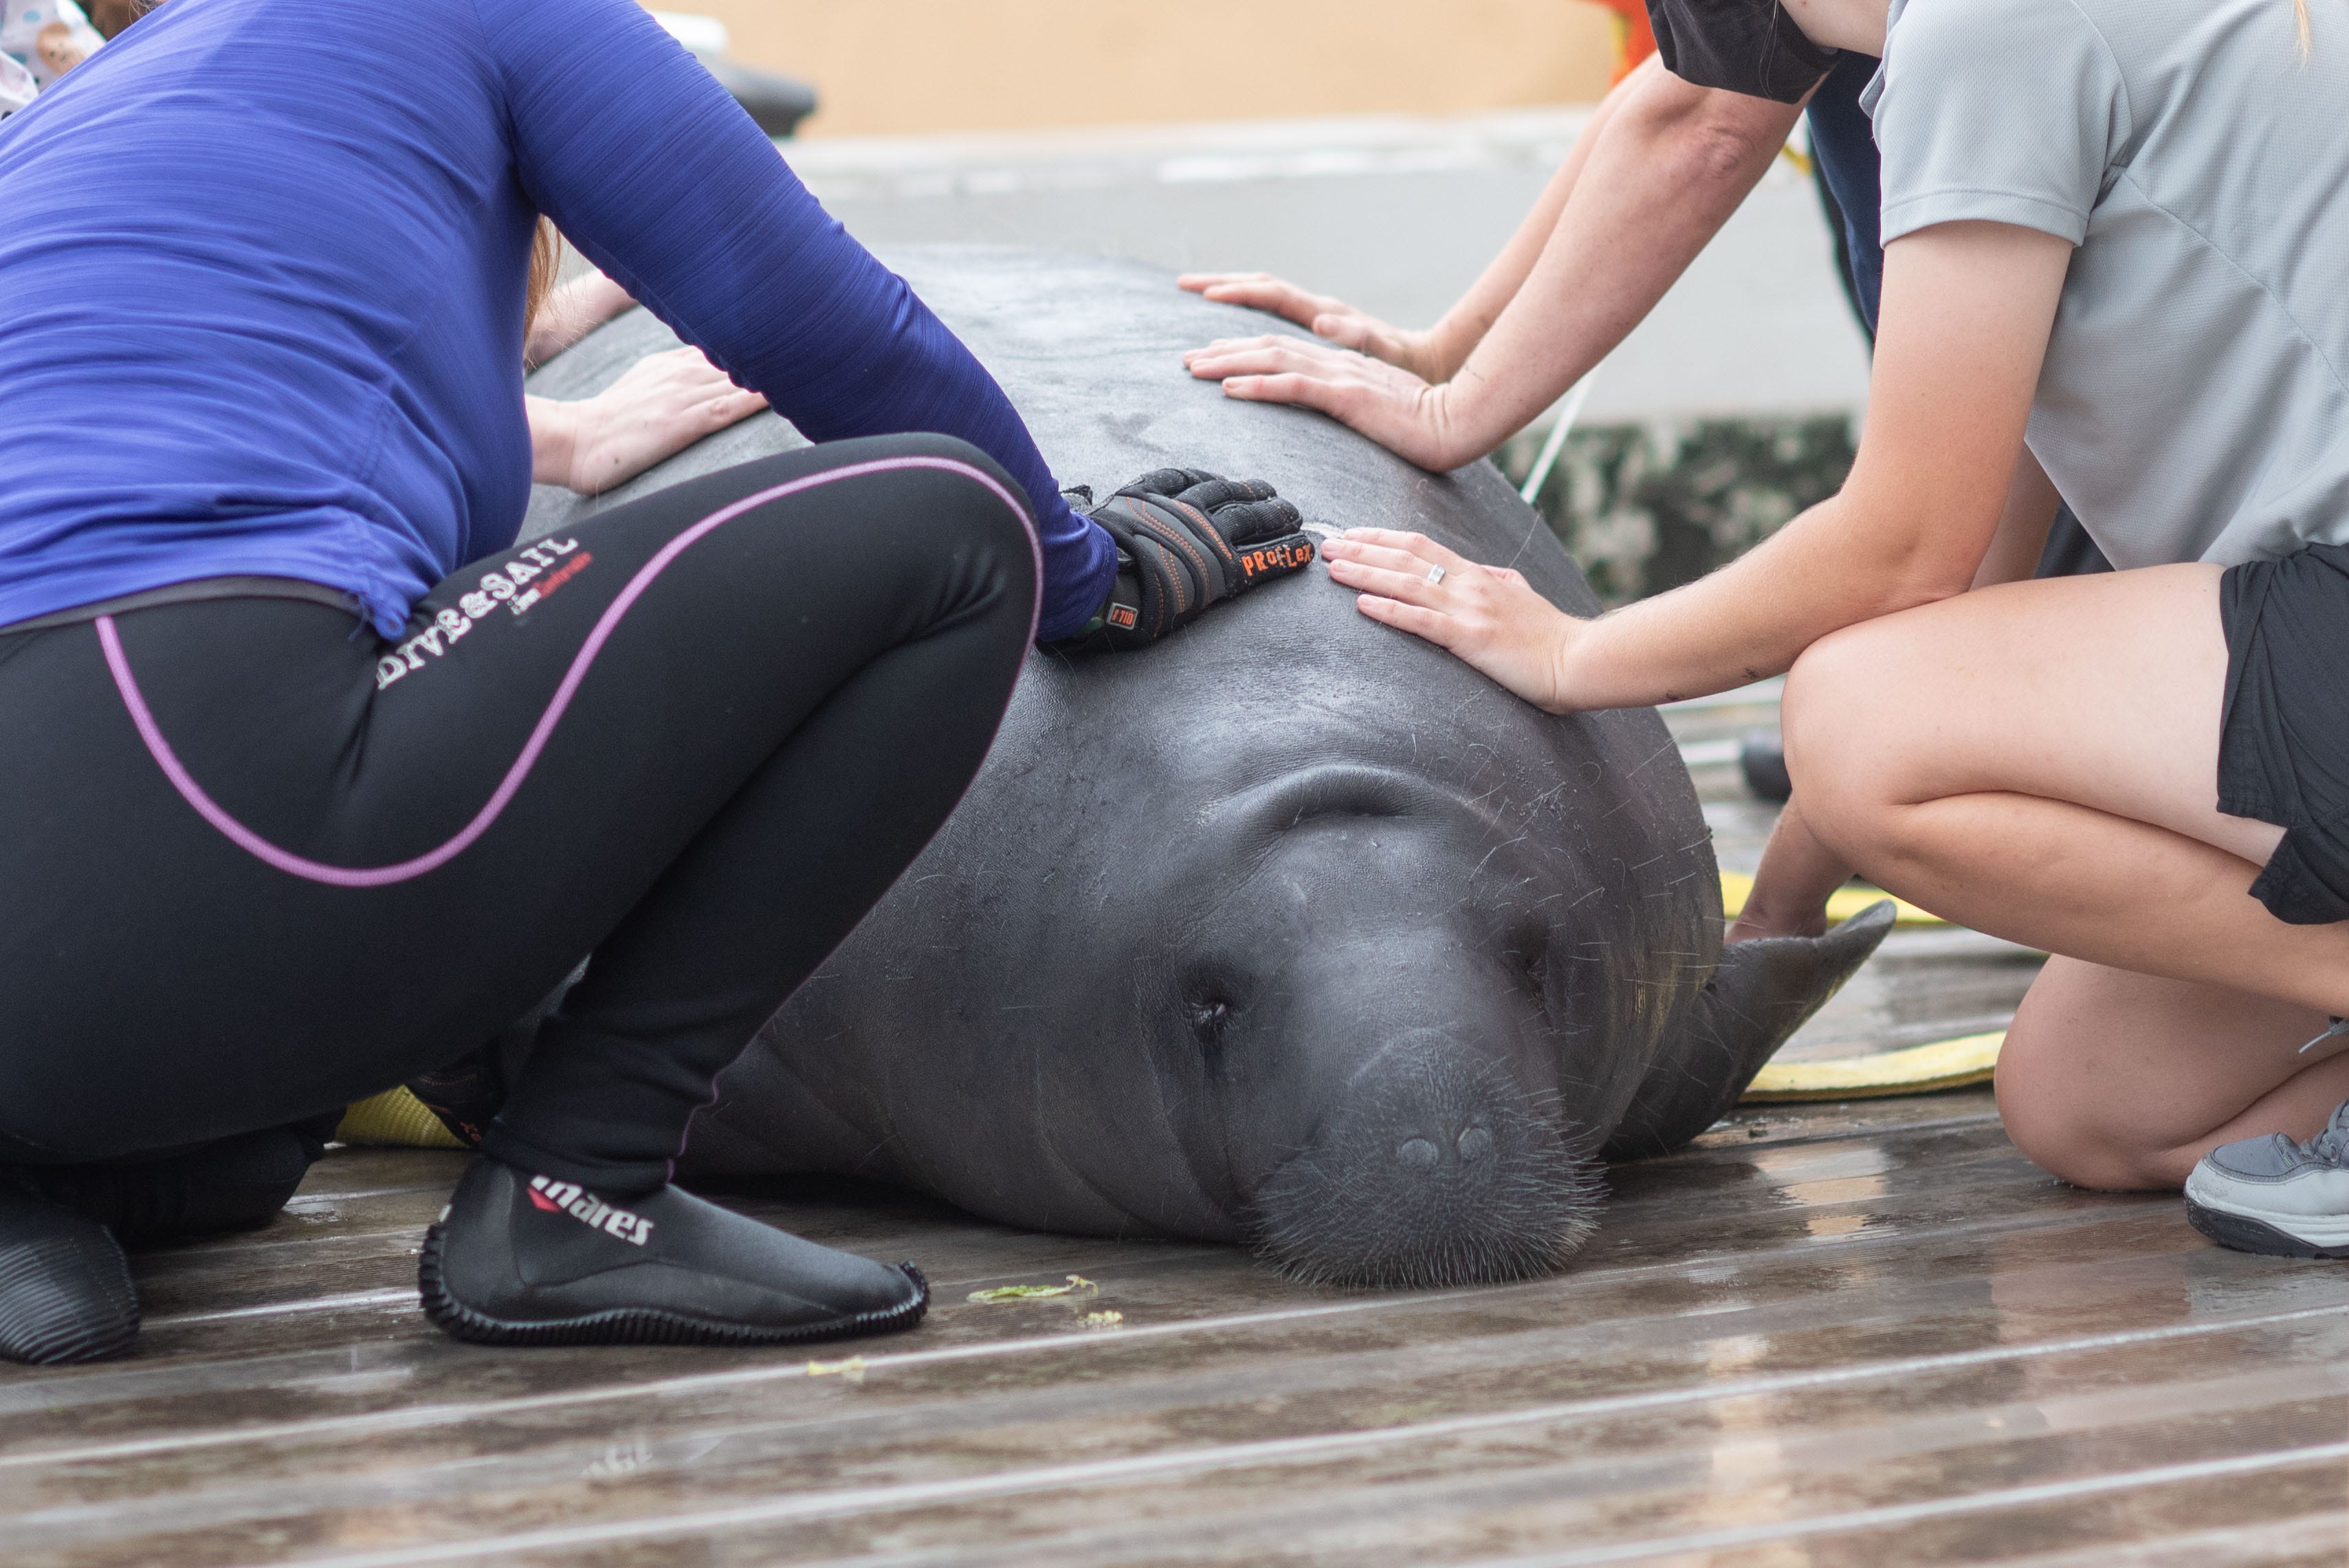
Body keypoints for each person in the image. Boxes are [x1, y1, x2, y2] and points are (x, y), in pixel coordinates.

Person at [0, 0, 1312, 1365]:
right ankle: (583, 1179)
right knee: (949, 523)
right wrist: (1084, 568)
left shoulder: (77, 130)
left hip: (85, 943)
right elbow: (822, 323)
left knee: (246, 1137)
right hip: (199, 810)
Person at [1270, 0, 2349, 1252]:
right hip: (2307, 641)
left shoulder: (1985, 33)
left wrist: (1574, 653)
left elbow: (1897, 549)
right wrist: (1774, 915)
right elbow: (1962, 592)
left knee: (1851, 706)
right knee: (2094, 1105)